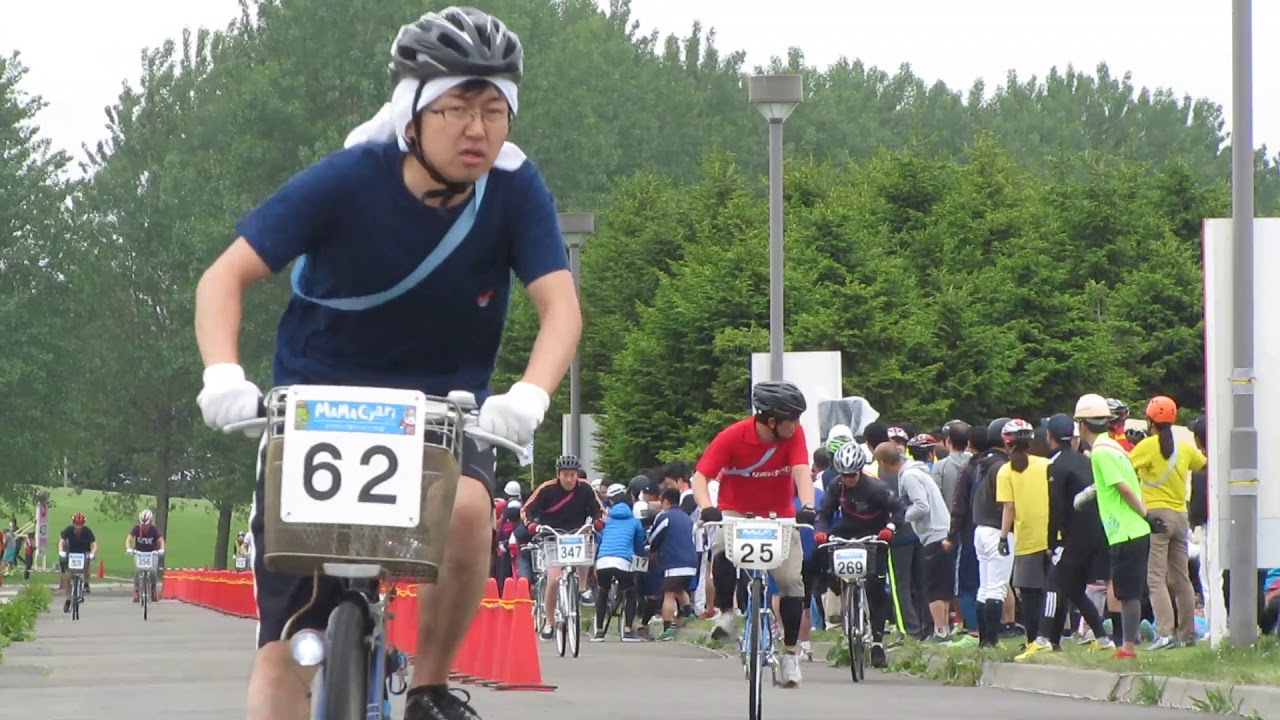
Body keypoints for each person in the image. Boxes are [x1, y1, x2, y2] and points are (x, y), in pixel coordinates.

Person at [191, 8, 581, 720]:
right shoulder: (346, 180)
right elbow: (224, 277)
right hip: (318, 409)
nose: (477, 129)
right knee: (285, 649)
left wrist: (528, 396)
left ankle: (429, 685)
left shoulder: (516, 189)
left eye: (495, 110)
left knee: (469, 510)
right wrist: (223, 374)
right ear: (411, 112)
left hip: (442, 412)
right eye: (458, 107)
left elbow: (561, 309)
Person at [691, 380, 817, 689]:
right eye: (792, 418)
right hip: (737, 511)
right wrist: (708, 508)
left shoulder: (794, 435)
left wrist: (808, 506)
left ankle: (789, 654)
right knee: (721, 547)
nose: (797, 424)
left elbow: (801, 470)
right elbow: (700, 477)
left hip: (780, 514)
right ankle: (725, 612)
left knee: (790, 580)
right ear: (771, 421)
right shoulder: (732, 437)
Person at [1073, 393, 1160, 659]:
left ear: (1082, 424)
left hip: (1127, 528)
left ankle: (1128, 648)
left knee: (1127, 592)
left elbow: (1122, 487)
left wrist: (1145, 515)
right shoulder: (1112, 447)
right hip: (1126, 528)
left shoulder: (1100, 452)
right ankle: (1127, 646)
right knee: (1125, 590)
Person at [813, 442, 900, 668]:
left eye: (851, 475)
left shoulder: (876, 488)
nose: (848, 479)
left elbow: (898, 509)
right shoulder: (835, 486)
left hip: (875, 535)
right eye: (844, 475)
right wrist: (821, 531)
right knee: (818, 552)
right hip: (848, 531)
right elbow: (824, 512)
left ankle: (878, 643)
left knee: (876, 588)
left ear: (860, 471)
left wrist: (890, 528)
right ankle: (832, 585)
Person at [1130, 395, 1205, 650]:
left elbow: (1127, 471)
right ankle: (1187, 633)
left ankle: (1165, 632)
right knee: (1181, 577)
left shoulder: (1146, 446)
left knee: (1155, 577)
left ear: (1150, 421)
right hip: (1180, 516)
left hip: (1156, 517)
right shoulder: (1184, 446)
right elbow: (1202, 463)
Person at [522, 454, 605, 639]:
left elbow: (599, 510)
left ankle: (582, 589)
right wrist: (532, 525)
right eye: (565, 474)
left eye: (572, 474)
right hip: (552, 535)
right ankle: (549, 622)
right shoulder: (546, 489)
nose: (569, 479)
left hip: (576, 533)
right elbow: (526, 509)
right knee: (554, 579)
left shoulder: (585, 489)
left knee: (587, 541)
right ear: (558, 474)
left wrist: (598, 522)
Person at [592, 484, 645, 641]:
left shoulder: (607, 520)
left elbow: (600, 539)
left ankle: (599, 630)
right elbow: (639, 546)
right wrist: (640, 557)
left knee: (602, 592)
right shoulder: (635, 522)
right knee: (630, 592)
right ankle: (628, 629)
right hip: (623, 561)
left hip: (603, 561)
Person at [648, 488, 698, 640]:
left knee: (668, 594)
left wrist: (652, 549)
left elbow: (653, 538)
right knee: (679, 587)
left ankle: (667, 628)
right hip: (691, 561)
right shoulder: (687, 518)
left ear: (666, 501)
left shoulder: (665, 517)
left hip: (674, 561)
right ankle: (689, 613)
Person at [58, 513, 98, 613]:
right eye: (76, 524)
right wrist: (61, 551)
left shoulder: (87, 531)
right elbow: (62, 541)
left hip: (84, 552)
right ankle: (68, 599)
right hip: (72, 553)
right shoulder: (69, 530)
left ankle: (86, 583)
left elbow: (94, 544)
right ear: (73, 523)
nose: (78, 527)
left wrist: (93, 553)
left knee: (87, 563)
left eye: (80, 524)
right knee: (68, 576)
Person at [126, 509, 166, 603]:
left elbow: (161, 540)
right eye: (142, 524)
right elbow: (129, 539)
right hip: (139, 552)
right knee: (138, 570)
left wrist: (161, 550)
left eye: (146, 525)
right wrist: (128, 548)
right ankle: (136, 591)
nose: (144, 527)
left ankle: (153, 589)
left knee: (152, 571)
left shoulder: (154, 530)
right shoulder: (136, 528)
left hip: (152, 553)